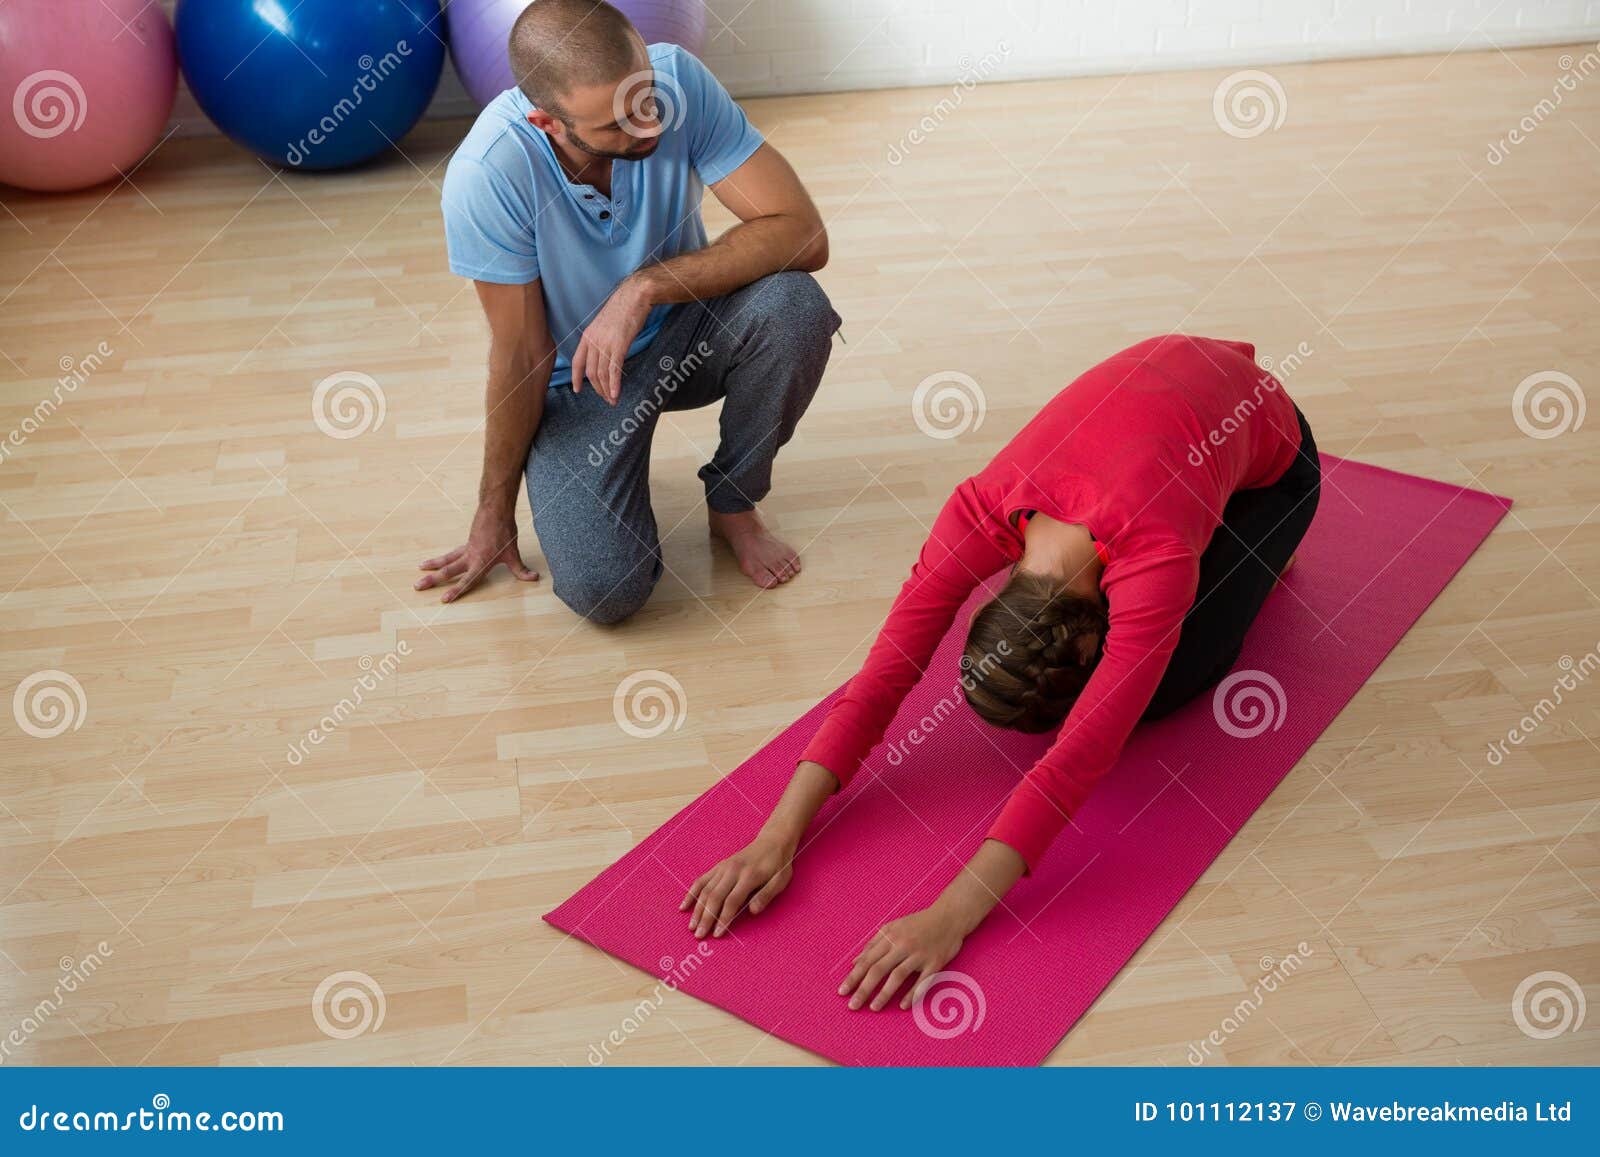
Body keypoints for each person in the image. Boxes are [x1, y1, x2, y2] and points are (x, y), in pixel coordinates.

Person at [681, 334, 1322, 1011]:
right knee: (1145, 642)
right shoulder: (980, 506)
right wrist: (774, 837)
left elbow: (1078, 758)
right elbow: (880, 680)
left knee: (1160, 690)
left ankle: (1264, 550)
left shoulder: (1157, 559)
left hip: (1278, 465)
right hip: (1183, 401)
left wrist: (950, 917)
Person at [421, 0, 840, 622]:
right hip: (577, 381)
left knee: (795, 306)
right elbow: (521, 354)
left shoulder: (677, 81)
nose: (647, 126)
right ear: (547, 123)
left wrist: (643, 287)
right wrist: (493, 510)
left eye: (645, 98)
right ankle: (606, 484)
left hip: (687, 330)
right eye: (615, 124)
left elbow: (803, 234)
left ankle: (733, 503)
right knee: (606, 592)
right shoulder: (487, 175)